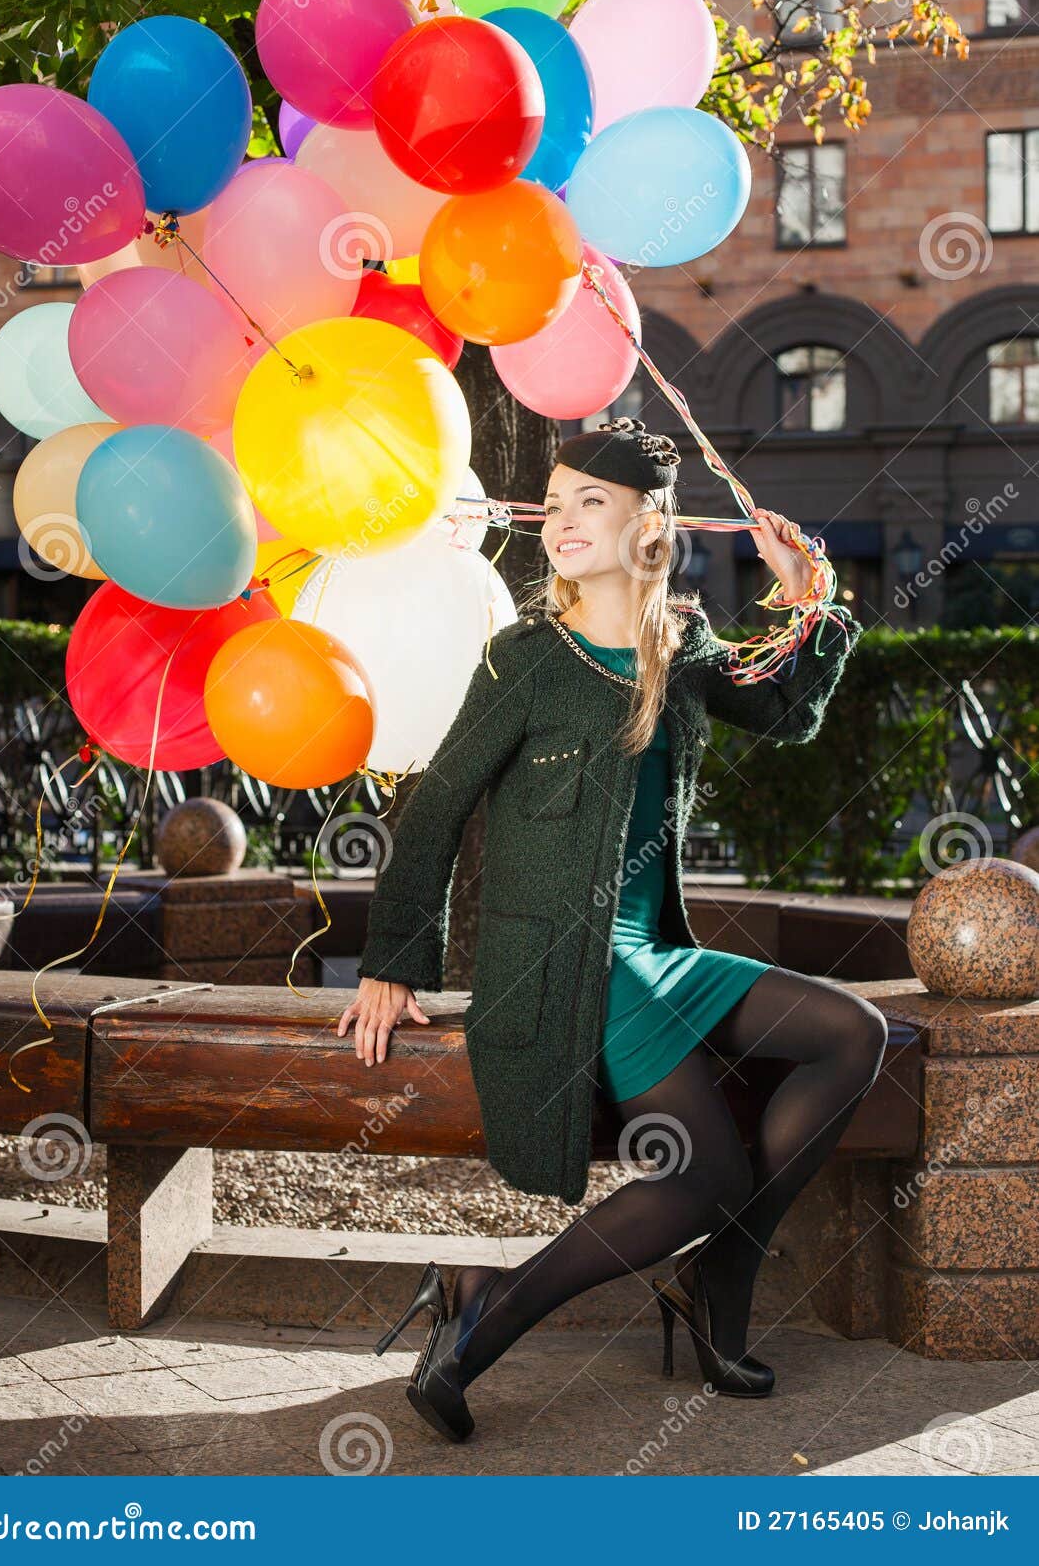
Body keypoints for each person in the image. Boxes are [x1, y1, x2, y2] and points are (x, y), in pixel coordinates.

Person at [339, 416, 886, 1443]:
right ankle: (482, 1307)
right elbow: (436, 804)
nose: (560, 521)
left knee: (850, 1034)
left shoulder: (676, 643)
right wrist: (392, 962)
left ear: (647, 522)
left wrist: (808, 600)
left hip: (655, 954)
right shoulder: (526, 658)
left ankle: (718, 1267)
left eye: (589, 501)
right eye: (554, 502)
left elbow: (785, 712)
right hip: (565, 962)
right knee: (702, 1174)